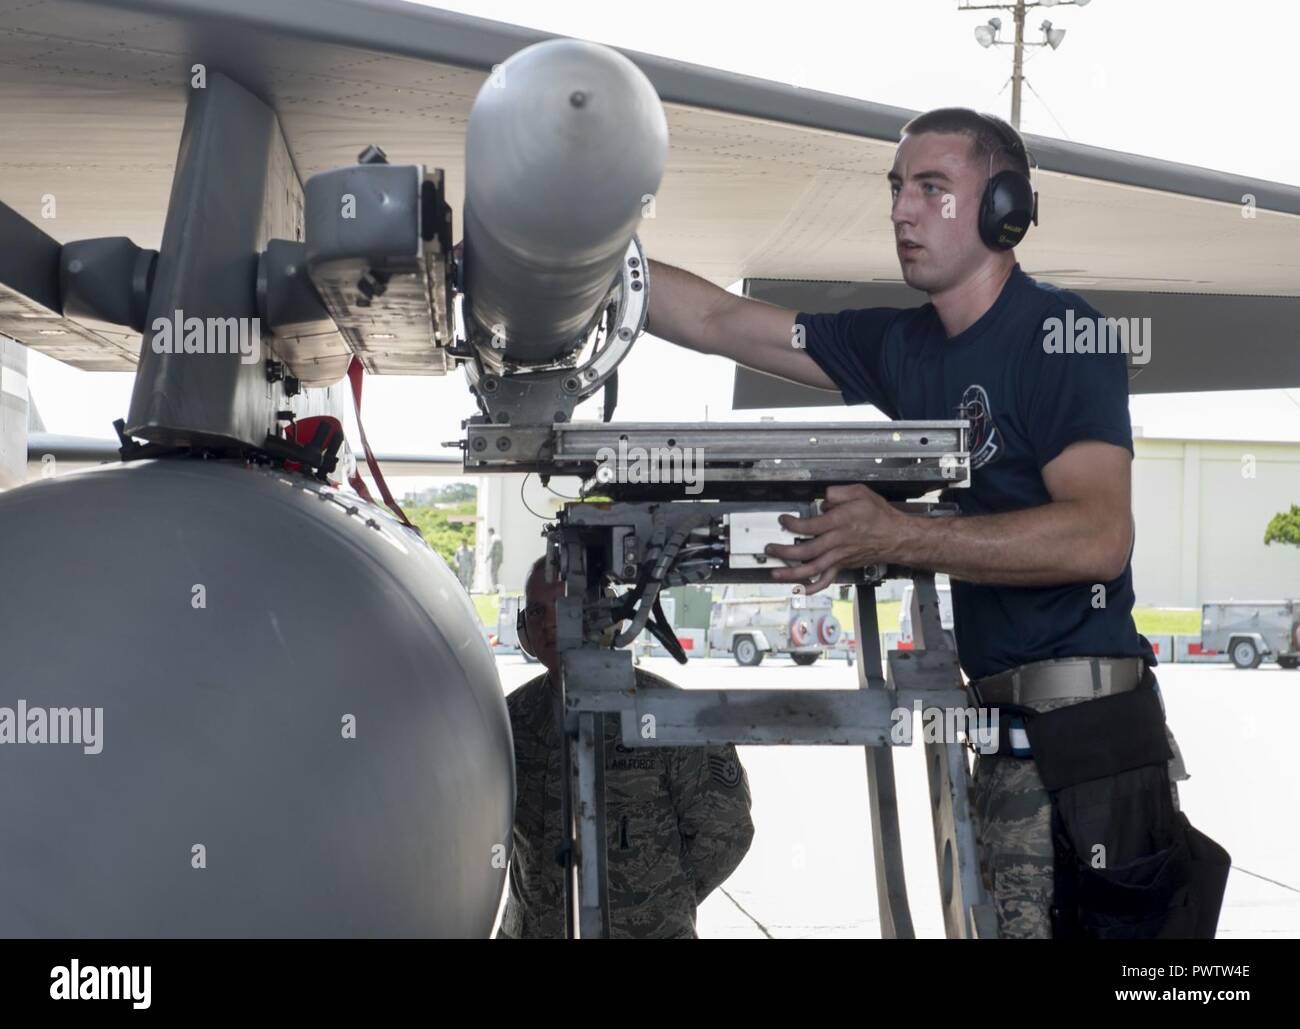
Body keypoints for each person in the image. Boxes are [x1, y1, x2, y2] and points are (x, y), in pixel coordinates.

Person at [642, 108, 1225, 939]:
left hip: (1088, 757)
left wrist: (899, 535)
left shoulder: (1063, 337)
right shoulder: (906, 348)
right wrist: (591, 261)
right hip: (1005, 744)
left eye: (931, 188)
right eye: (895, 189)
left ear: (1002, 209)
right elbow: (722, 323)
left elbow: (1100, 536)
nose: (901, 211)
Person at [497, 557, 755, 939]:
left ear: (604, 616)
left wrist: (651, 905)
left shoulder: (668, 714)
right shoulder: (509, 719)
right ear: (524, 627)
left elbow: (725, 832)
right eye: (537, 611)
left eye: (566, 607)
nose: (550, 623)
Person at [486, 527, 503, 593]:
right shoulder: (498, 537)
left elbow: (492, 548)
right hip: (499, 558)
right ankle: (495, 588)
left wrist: (487, 557)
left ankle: (495, 589)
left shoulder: (493, 538)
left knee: (493, 573)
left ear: (490, 532)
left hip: (495, 558)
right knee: (494, 573)